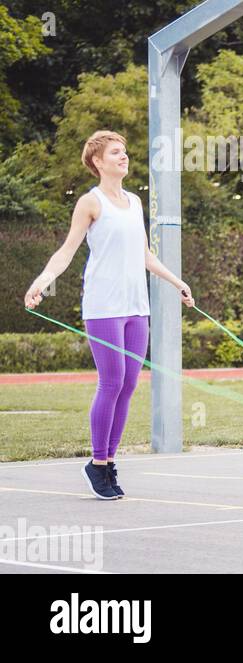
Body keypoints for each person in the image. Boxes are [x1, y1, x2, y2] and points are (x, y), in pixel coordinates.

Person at [24, 130, 195, 500]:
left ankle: (108, 463)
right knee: (111, 382)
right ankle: (97, 463)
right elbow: (67, 251)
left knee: (130, 385)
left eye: (125, 152)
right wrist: (43, 279)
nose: (124, 157)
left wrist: (176, 281)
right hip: (103, 306)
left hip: (137, 307)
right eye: (116, 152)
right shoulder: (90, 202)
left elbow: (145, 254)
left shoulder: (134, 202)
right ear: (98, 162)